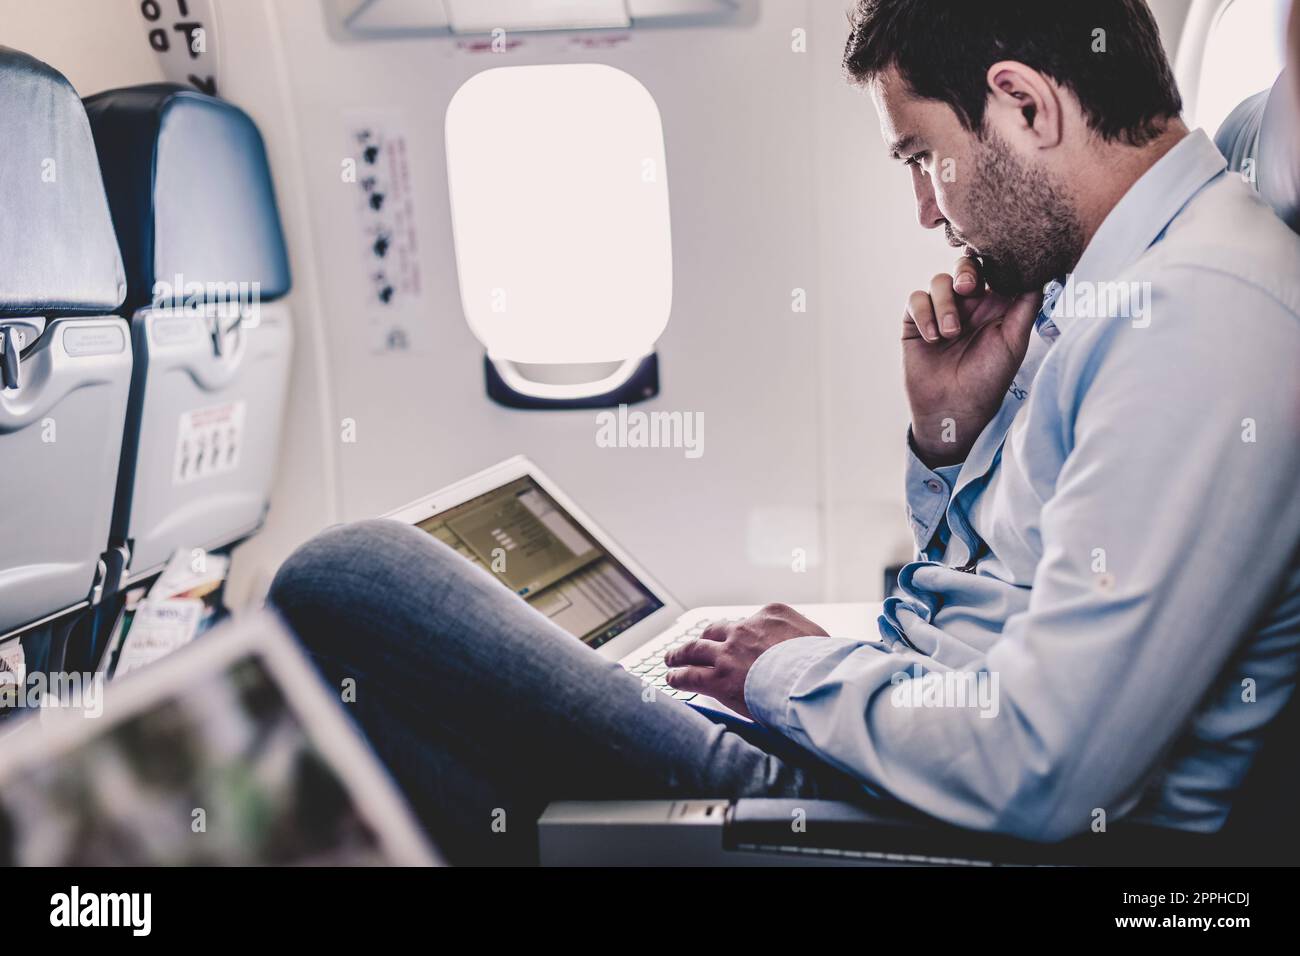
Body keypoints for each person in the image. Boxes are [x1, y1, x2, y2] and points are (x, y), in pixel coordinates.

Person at [270, 0, 1300, 865]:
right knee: (413, 739)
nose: (924, 213)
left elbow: (1042, 761)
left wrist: (783, 675)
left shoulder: (1198, 314)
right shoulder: (1108, 282)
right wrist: (949, 442)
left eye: (922, 157)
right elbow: (998, 598)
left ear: (1025, 104)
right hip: (902, 763)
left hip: (955, 836)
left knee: (347, 584)